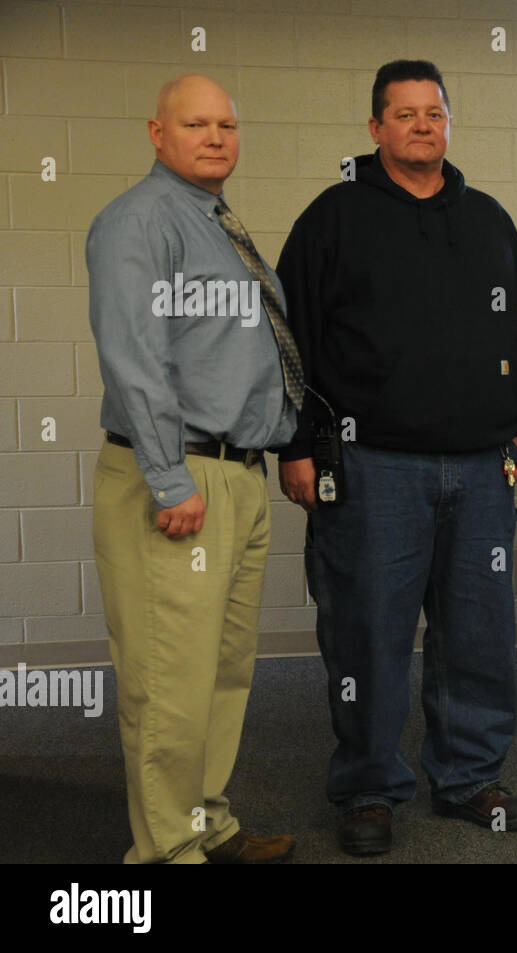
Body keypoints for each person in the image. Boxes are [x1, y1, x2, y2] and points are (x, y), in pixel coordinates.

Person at [276, 59, 517, 854]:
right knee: (368, 633)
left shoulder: (488, 219)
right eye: (405, 113)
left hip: (480, 468)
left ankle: (467, 775)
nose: (422, 125)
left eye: (435, 112)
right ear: (376, 127)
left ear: (449, 122)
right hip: (371, 468)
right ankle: (369, 788)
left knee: (479, 633)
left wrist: (515, 428)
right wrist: (294, 448)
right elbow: (291, 345)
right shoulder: (333, 217)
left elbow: (513, 339)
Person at [88, 74, 299, 864]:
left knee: (222, 669)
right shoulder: (139, 221)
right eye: (196, 124)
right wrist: (171, 477)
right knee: (169, 679)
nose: (215, 137)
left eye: (227, 125)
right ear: (156, 131)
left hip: (235, 475)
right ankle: (168, 850)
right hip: (177, 477)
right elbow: (134, 358)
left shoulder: (214, 222)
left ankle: (207, 819)